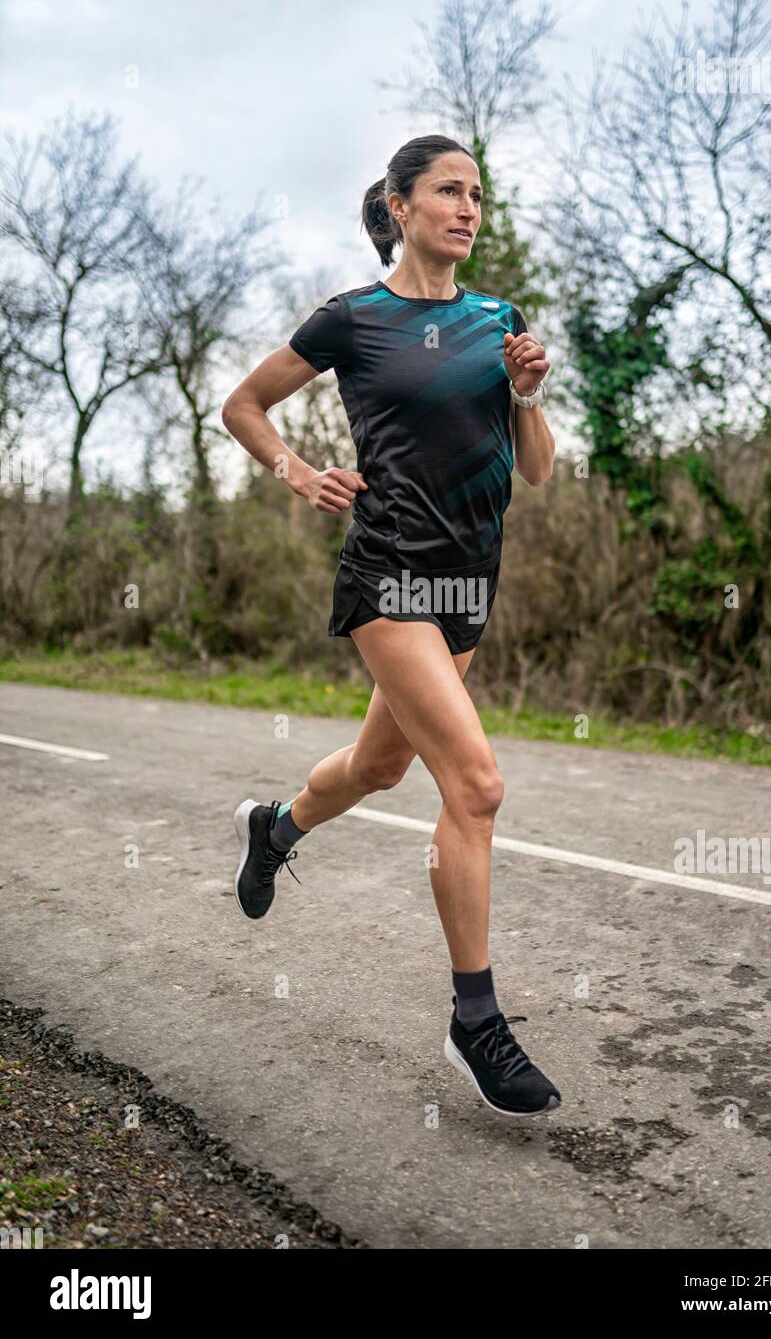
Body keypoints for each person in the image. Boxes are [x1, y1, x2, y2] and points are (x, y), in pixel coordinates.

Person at [221, 134, 559, 1116]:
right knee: (477, 784)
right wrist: (297, 471)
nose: (467, 207)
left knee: (378, 768)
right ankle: (474, 1019)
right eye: (448, 191)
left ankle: (273, 828)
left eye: (478, 195)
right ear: (400, 207)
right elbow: (244, 405)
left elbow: (534, 469)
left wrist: (528, 394)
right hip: (387, 576)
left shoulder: (500, 320)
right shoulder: (352, 319)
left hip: (465, 584)